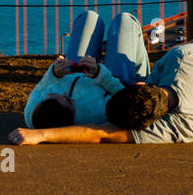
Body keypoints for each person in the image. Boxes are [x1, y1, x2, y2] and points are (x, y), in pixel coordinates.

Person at [8, 37, 193, 146]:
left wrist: (41, 134)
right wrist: (41, 135)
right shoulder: (182, 61)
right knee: (125, 23)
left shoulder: (167, 128)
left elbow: (100, 133)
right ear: (138, 86)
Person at [22, 9, 150, 129]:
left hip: (76, 71)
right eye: (68, 100)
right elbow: (122, 98)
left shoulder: (32, 114)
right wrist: (100, 74)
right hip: (114, 79)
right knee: (125, 20)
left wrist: (54, 74)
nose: (65, 94)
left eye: (54, 95)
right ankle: (146, 82)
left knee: (89, 17)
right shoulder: (94, 115)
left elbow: (39, 89)